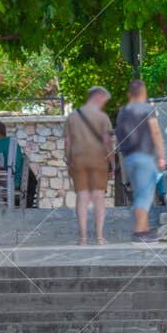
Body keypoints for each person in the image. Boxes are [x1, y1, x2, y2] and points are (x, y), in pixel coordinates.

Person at [114, 78, 166, 241]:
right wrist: (162, 156)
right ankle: (139, 232)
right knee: (145, 196)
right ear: (143, 93)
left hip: (128, 158)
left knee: (139, 194)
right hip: (144, 157)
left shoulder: (122, 112)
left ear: (130, 94)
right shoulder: (147, 109)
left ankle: (144, 229)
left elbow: (118, 135)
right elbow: (155, 132)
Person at [64, 87, 114, 245]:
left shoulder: (72, 117)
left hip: (78, 159)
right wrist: (112, 162)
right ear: (98, 96)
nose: (104, 104)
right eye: (104, 100)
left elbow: (67, 142)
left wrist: (68, 160)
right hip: (99, 159)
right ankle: (99, 237)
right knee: (99, 197)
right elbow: (107, 142)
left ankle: (83, 238)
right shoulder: (102, 117)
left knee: (82, 197)